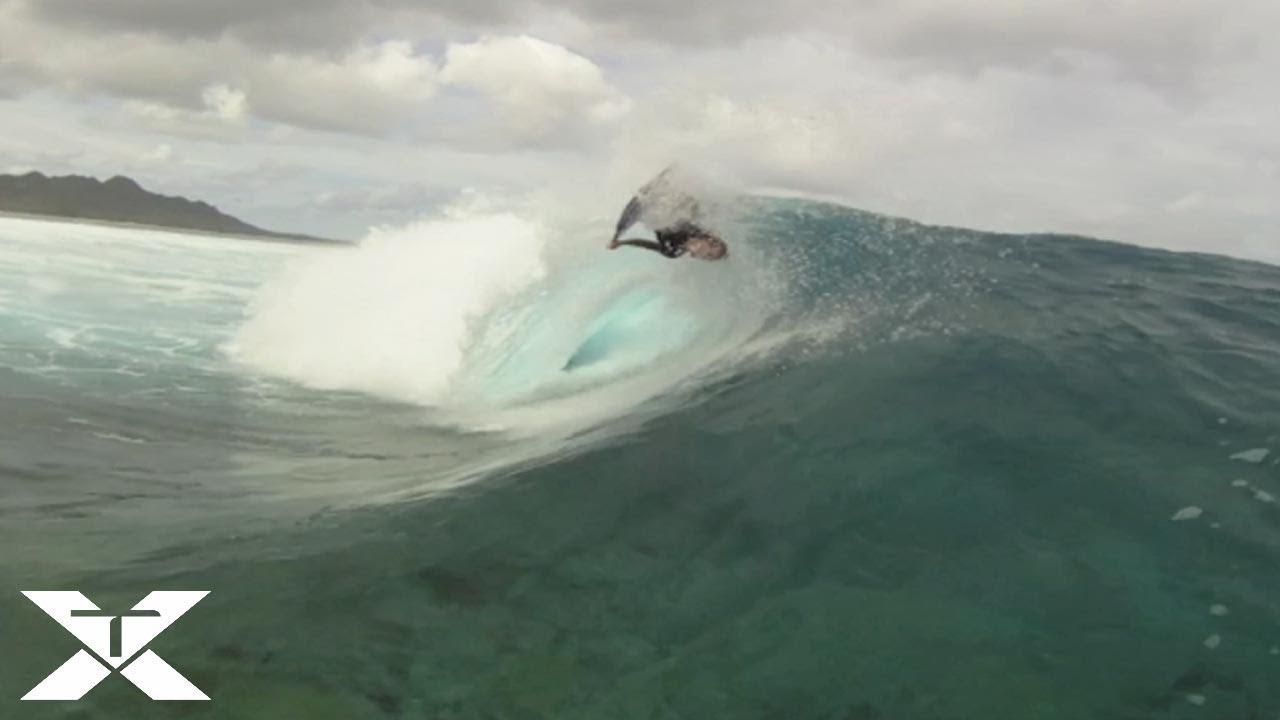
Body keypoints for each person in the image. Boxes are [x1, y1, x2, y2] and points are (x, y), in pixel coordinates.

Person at [607, 168, 728, 261]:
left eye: (707, 257)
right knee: (683, 209)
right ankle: (672, 173)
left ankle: (657, 187)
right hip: (664, 200)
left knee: (624, 225)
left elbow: (647, 245)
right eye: (710, 251)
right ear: (709, 240)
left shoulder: (672, 252)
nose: (705, 254)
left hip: (647, 209)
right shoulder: (697, 228)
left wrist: (623, 243)